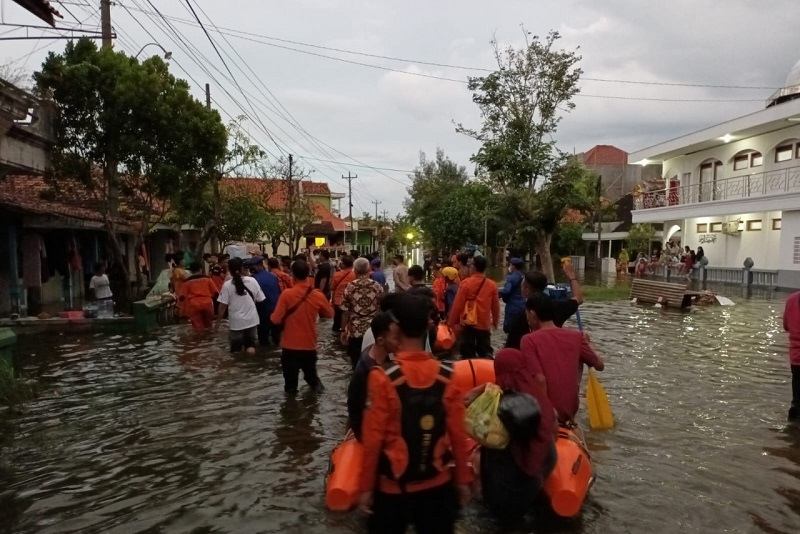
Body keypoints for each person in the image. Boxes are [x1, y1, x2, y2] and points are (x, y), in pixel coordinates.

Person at [358, 292, 471, 533]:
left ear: (395, 328)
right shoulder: (448, 375)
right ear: (427, 327)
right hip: (437, 485)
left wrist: (366, 488)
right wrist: (462, 480)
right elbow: (458, 434)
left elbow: (373, 441)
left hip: (393, 490)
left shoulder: (381, 378)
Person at [477, 348, 557, 523]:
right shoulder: (540, 400)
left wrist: (483, 390)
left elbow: (474, 420)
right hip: (538, 472)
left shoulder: (504, 405)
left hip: (512, 483)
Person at [522, 294, 604, 423]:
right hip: (570, 410)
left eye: (526, 314)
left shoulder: (528, 340)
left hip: (550, 413)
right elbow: (600, 365)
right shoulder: (577, 337)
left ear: (532, 314)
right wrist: (588, 343)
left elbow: (540, 380)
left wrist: (544, 417)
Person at [270, 260, 334, 394]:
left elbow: (275, 320)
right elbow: (330, 314)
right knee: (313, 379)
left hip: (289, 346)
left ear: (292, 275)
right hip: (309, 345)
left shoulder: (286, 294)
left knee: (290, 386)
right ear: (308, 274)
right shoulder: (317, 295)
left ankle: (291, 406)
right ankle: (317, 403)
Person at [504, 260, 584, 350]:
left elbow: (510, 349)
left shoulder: (521, 316)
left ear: (526, 290)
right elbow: (579, 298)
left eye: (521, 285)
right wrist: (572, 276)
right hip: (553, 351)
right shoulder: (558, 306)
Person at [347, 311, 399, 441]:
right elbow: (359, 410)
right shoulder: (369, 371)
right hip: (367, 431)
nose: (400, 342)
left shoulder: (372, 351)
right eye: (396, 338)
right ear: (381, 340)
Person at [447, 255, 499, 359]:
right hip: (484, 325)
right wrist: (495, 322)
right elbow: (495, 306)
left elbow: (457, 305)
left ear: (473, 267)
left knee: (467, 355)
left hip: (468, 324)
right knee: (485, 355)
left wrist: (450, 323)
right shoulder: (492, 285)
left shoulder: (465, 284)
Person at [216, 257, 266, 354]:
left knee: (236, 350)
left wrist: (218, 322)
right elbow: (261, 299)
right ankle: (250, 363)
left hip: (236, 323)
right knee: (250, 346)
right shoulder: (252, 281)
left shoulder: (227, 285)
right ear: (242, 268)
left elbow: (223, 306)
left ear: (229, 270)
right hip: (252, 320)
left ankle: (239, 363)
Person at [341, 258, 384, 367]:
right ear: (369, 269)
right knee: (373, 364)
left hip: (355, 331)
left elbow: (345, 311)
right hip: (373, 330)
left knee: (355, 363)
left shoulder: (350, 286)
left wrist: (343, 330)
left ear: (355, 270)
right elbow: (383, 307)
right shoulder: (377, 285)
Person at [248, 256, 282, 347]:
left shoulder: (254, 280)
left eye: (252, 266)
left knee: (263, 340)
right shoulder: (273, 276)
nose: (251, 269)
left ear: (258, 266)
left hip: (262, 312)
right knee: (277, 338)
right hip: (276, 310)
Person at [177, 261, 218, 331]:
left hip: (194, 305)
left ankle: (199, 337)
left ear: (190, 271)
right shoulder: (207, 279)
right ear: (200, 269)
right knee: (209, 326)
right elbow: (216, 292)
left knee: (197, 328)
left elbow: (181, 297)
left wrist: (178, 307)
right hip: (207, 304)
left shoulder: (187, 282)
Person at [783, 291, 800, 421]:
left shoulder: (792, 299)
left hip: (796, 358)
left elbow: (786, 326)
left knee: (797, 397)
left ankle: (793, 417)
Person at [499, 258, 526, 334]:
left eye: (510, 265)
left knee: (509, 329)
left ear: (513, 266)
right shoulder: (523, 277)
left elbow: (507, 290)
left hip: (512, 306)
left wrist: (496, 292)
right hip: (523, 304)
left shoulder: (511, 278)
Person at [331, 255, 356, 333]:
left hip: (338, 301)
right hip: (350, 302)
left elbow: (332, 287)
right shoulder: (355, 275)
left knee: (336, 324)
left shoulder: (336, 274)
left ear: (343, 264)